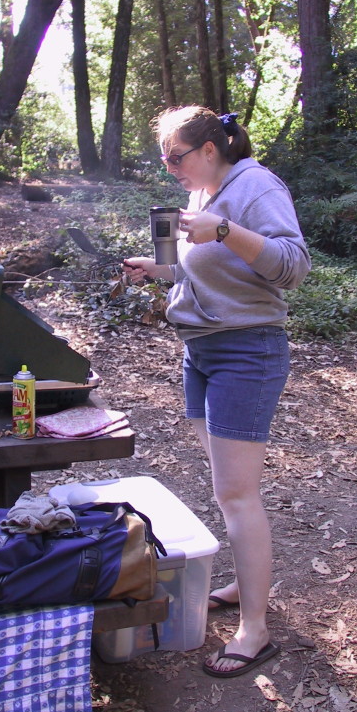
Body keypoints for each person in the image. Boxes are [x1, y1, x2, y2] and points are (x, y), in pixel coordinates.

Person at [124, 106, 311, 679]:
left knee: (237, 495)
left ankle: (256, 630)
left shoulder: (255, 186)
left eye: (177, 157)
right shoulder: (207, 193)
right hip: (202, 351)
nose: (170, 168)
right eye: (164, 159)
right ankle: (243, 585)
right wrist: (161, 272)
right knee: (227, 487)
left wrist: (226, 230)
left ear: (211, 149)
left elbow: (293, 266)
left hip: (245, 352)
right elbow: (212, 270)